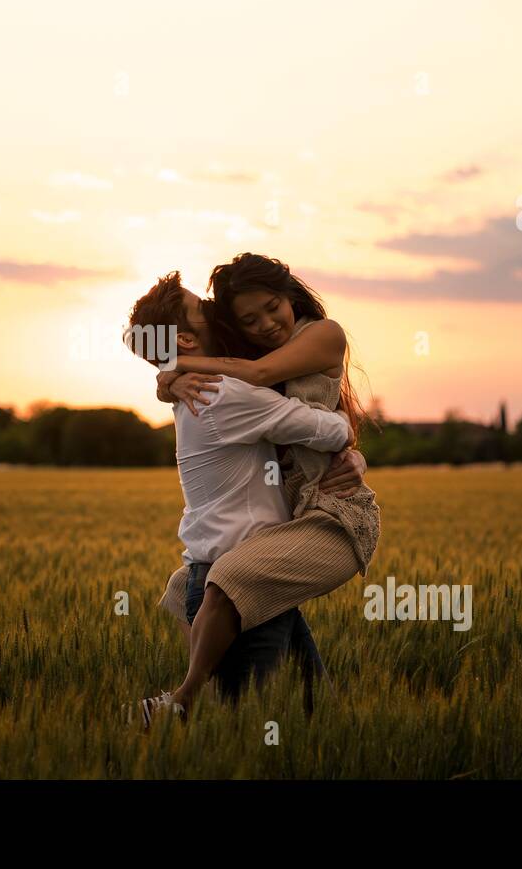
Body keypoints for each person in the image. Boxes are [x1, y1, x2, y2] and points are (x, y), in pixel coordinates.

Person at [123, 265, 373, 727]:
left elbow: (269, 381)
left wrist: (171, 371)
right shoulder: (221, 391)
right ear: (185, 340)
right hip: (248, 568)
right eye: (206, 310)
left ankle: (181, 701)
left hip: (275, 547)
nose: (222, 314)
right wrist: (170, 373)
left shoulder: (224, 378)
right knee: (284, 723)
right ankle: (184, 700)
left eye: (271, 308)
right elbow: (327, 426)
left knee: (288, 719)